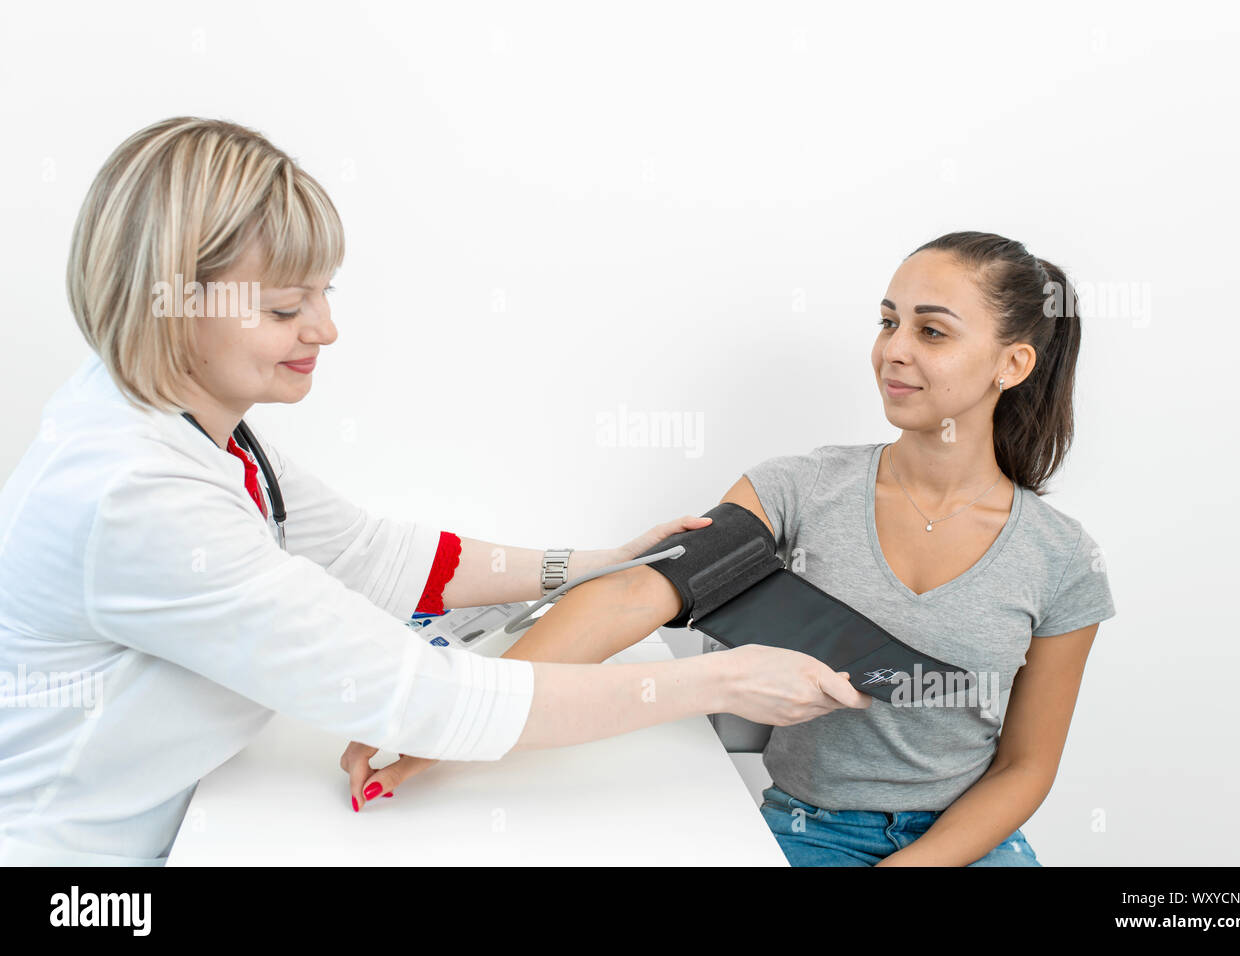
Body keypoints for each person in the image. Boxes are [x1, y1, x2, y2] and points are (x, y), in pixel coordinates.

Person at [0, 116, 870, 866]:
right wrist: (716, 686)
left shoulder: (189, 422)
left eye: (323, 294)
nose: (325, 329)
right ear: (172, 304)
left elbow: (371, 556)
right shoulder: (132, 495)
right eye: (282, 308)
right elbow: (428, 699)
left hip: (183, 818)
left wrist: (589, 564)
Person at [408, 231, 1119, 867]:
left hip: (971, 844)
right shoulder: (796, 491)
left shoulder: (1061, 559)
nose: (892, 349)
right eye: (887, 321)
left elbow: (1026, 766)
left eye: (932, 332)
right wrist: (454, 717)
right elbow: (638, 591)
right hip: (811, 833)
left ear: (1013, 363)